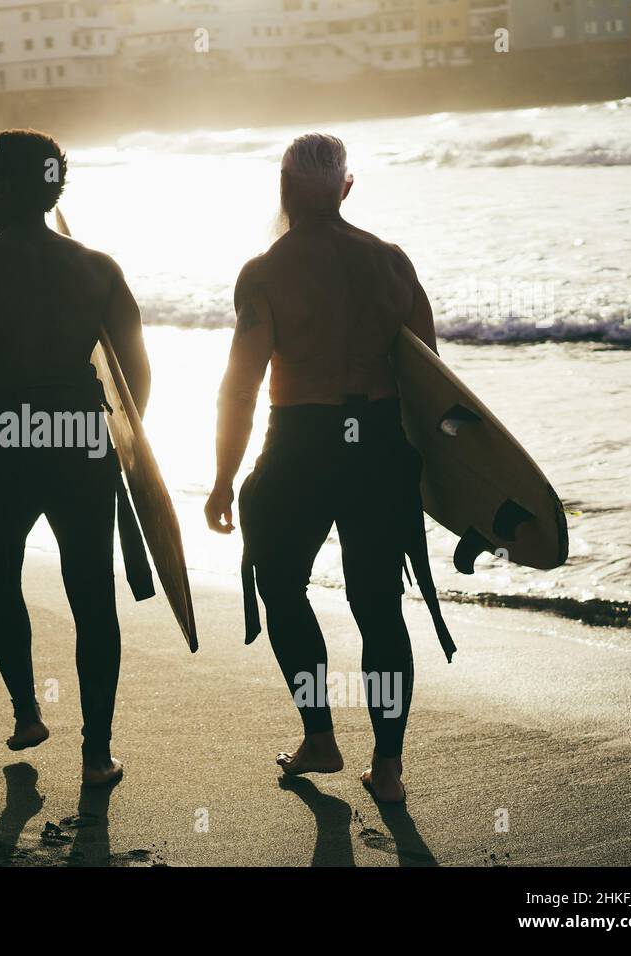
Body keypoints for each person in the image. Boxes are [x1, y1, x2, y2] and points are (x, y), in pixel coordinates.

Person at [205, 133, 453, 805]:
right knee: (378, 605)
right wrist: (437, 478)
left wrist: (225, 476)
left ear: (284, 191)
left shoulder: (264, 272)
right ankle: (391, 765)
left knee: (281, 589)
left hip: (301, 444)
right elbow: (431, 381)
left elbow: (241, 384)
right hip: (378, 446)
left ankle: (319, 735)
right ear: (347, 190)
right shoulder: (394, 264)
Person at [0, 129, 150, 787]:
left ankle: (25, 711)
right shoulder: (99, 268)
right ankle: (97, 755)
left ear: (14, 188)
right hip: (77, 438)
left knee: (0, 579)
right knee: (93, 596)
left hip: (8, 437)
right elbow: (137, 374)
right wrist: (122, 452)